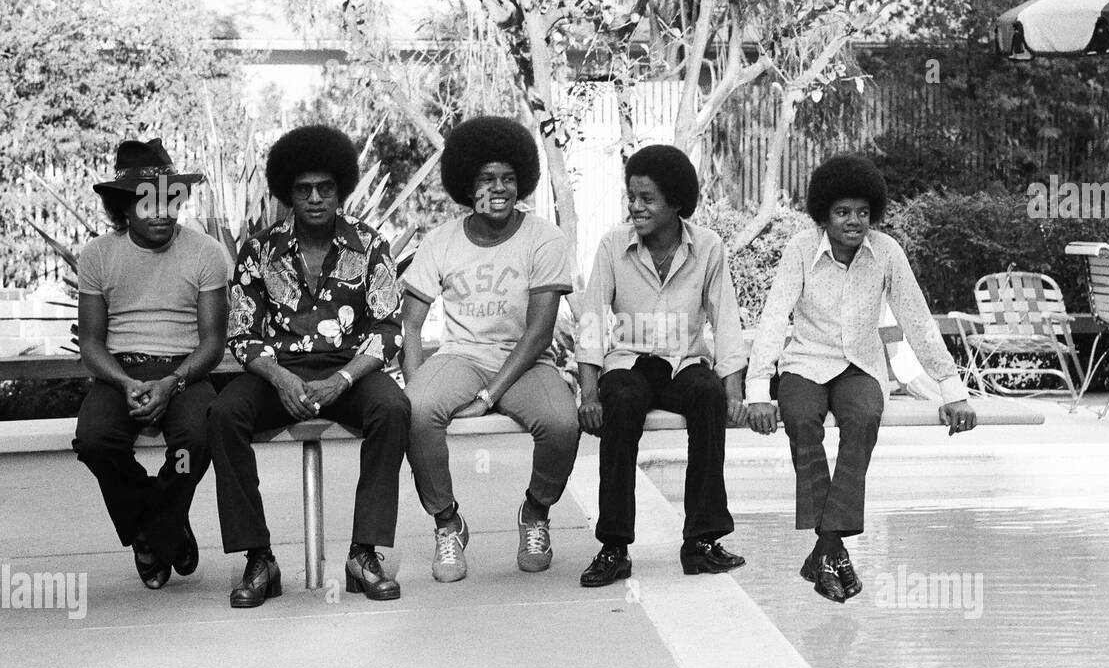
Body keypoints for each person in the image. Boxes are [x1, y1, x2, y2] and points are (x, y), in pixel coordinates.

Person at [746, 154, 977, 603]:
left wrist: (952, 388)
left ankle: (825, 551)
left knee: (865, 417)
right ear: (823, 214)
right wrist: (758, 389)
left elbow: (917, 319)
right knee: (800, 418)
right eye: (842, 212)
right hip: (805, 363)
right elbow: (774, 317)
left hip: (860, 367)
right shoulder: (799, 249)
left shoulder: (887, 252)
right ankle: (830, 551)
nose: (854, 222)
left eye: (863, 213)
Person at [209, 125, 409, 608]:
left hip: (349, 368)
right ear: (287, 193)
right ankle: (259, 559)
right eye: (304, 190)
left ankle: (365, 554)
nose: (316, 199)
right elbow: (242, 333)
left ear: (340, 189)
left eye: (325, 188)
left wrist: (342, 380)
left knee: (394, 409)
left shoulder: (370, 245)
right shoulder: (259, 250)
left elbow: (388, 330)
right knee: (222, 416)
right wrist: (279, 379)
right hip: (279, 372)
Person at [402, 115, 579, 583]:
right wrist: (416, 381)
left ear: (522, 182)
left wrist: (488, 396)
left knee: (563, 424)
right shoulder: (441, 241)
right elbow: (411, 326)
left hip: (525, 360)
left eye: (507, 178)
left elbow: (540, 331)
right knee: (416, 410)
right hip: (461, 356)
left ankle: (536, 511)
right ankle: (447, 523)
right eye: (486, 179)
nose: (498, 188)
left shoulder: (544, 238)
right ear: (467, 184)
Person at [576, 144, 749, 587]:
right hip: (629, 361)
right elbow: (593, 318)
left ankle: (701, 543)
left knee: (707, 396)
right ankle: (614, 546)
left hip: (684, 360)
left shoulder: (708, 247)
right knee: (625, 401)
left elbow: (725, 321)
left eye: (647, 199)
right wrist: (589, 392)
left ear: (676, 202)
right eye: (631, 197)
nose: (636, 207)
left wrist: (733, 392)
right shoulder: (614, 245)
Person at [73, 138, 228, 589]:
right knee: (97, 442)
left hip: (184, 371)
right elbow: (90, 342)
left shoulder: (204, 253)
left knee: (192, 445)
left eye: (169, 198)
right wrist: (123, 383)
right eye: (148, 201)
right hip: (120, 371)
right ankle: (162, 525)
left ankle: (154, 527)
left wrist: (173, 382)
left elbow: (213, 342)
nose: (162, 211)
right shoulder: (98, 256)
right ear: (125, 207)